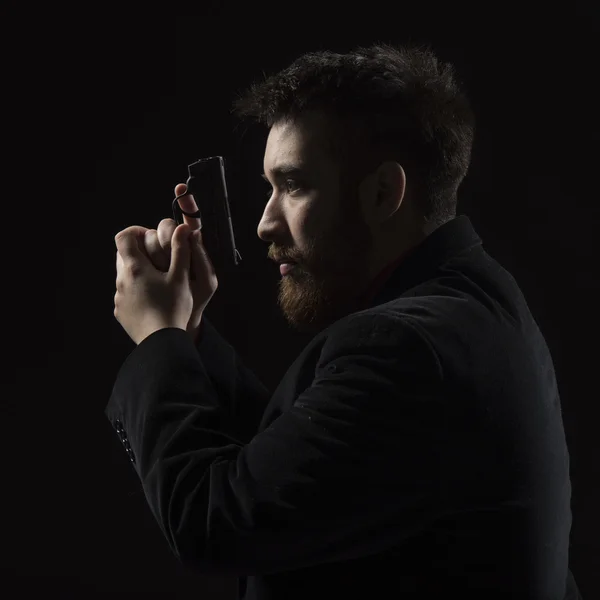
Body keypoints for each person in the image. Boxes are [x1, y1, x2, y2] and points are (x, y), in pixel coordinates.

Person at [108, 43, 582, 599]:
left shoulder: (406, 348)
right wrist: (186, 331)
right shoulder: (477, 299)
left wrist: (159, 338)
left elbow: (214, 526)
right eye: (269, 187)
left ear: (384, 193)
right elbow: (306, 469)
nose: (264, 223)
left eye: (293, 185)